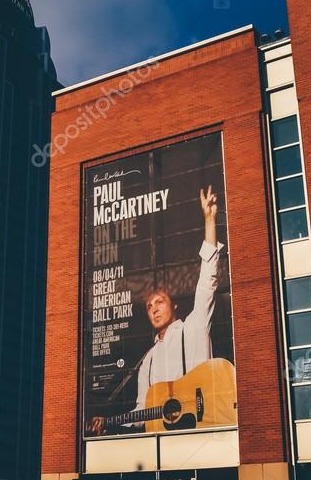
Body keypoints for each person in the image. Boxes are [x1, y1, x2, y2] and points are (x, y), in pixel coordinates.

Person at [89, 185, 223, 434]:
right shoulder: (147, 362)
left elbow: (208, 280)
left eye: (159, 301)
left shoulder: (193, 326)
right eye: (149, 306)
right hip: (167, 443)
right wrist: (108, 422)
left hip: (207, 426)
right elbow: (143, 410)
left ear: (174, 305)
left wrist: (209, 219)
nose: (153, 309)